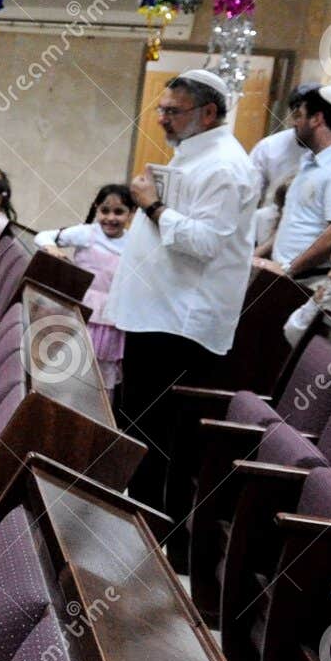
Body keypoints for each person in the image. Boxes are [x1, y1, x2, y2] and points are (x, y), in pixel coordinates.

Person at [108, 68, 258, 564]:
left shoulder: (225, 167)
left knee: (159, 438)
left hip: (179, 323)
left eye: (174, 111)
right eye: (162, 110)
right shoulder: (196, 154)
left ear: (208, 113)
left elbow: (204, 244)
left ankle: (153, 545)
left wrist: (150, 207)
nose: (164, 119)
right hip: (158, 314)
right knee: (140, 427)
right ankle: (139, 530)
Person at [255, 85, 331, 281]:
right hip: (286, 275)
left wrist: (290, 269)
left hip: (312, 281)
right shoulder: (312, 162)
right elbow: (295, 221)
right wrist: (259, 255)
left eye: (300, 115)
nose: (295, 123)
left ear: (317, 119)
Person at [34, 184, 135, 390]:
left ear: (131, 213)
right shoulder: (86, 233)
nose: (111, 218)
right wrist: (52, 248)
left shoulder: (133, 242)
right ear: (96, 208)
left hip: (111, 317)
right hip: (81, 309)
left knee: (101, 373)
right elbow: (43, 236)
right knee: (70, 364)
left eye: (119, 212)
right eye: (105, 211)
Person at [248, 83, 317, 206]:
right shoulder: (268, 147)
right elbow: (250, 195)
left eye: (302, 115)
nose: (297, 122)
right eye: (295, 115)